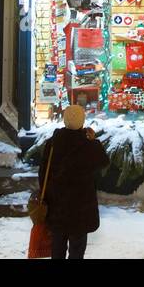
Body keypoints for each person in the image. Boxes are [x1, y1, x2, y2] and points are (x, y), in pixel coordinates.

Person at [38, 104, 110, 260]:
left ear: (64, 120)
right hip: (81, 209)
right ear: (82, 121)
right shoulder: (88, 145)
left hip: (57, 206)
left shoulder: (53, 143)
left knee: (57, 248)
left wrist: (47, 194)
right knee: (77, 250)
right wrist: (94, 140)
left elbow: (43, 173)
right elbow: (104, 161)